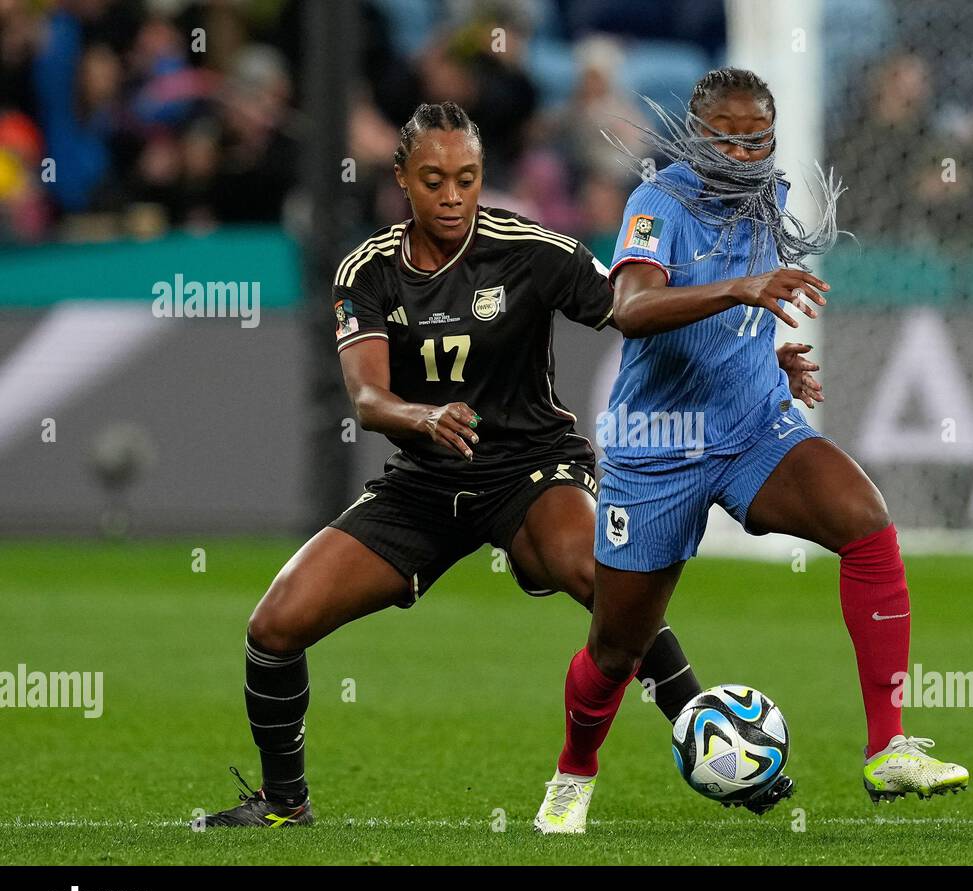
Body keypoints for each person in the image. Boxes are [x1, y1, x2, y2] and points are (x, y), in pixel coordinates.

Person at [200, 100, 816, 827]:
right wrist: (420, 416)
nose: (453, 195)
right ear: (402, 179)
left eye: (467, 177)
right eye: (434, 179)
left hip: (531, 471)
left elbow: (635, 312)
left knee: (597, 574)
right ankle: (283, 803)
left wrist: (756, 361)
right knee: (275, 625)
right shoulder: (367, 272)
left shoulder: (531, 250)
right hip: (425, 484)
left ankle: (714, 739)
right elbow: (369, 399)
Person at [533, 69, 969, 835]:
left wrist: (770, 357)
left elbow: (741, 311)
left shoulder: (771, 195)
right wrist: (742, 290)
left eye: (756, 137)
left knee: (865, 522)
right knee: (615, 647)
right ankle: (574, 773)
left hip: (750, 427)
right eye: (725, 137)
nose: (741, 152)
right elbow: (628, 309)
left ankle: (887, 746)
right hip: (659, 446)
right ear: (697, 134)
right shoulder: (658, 203)